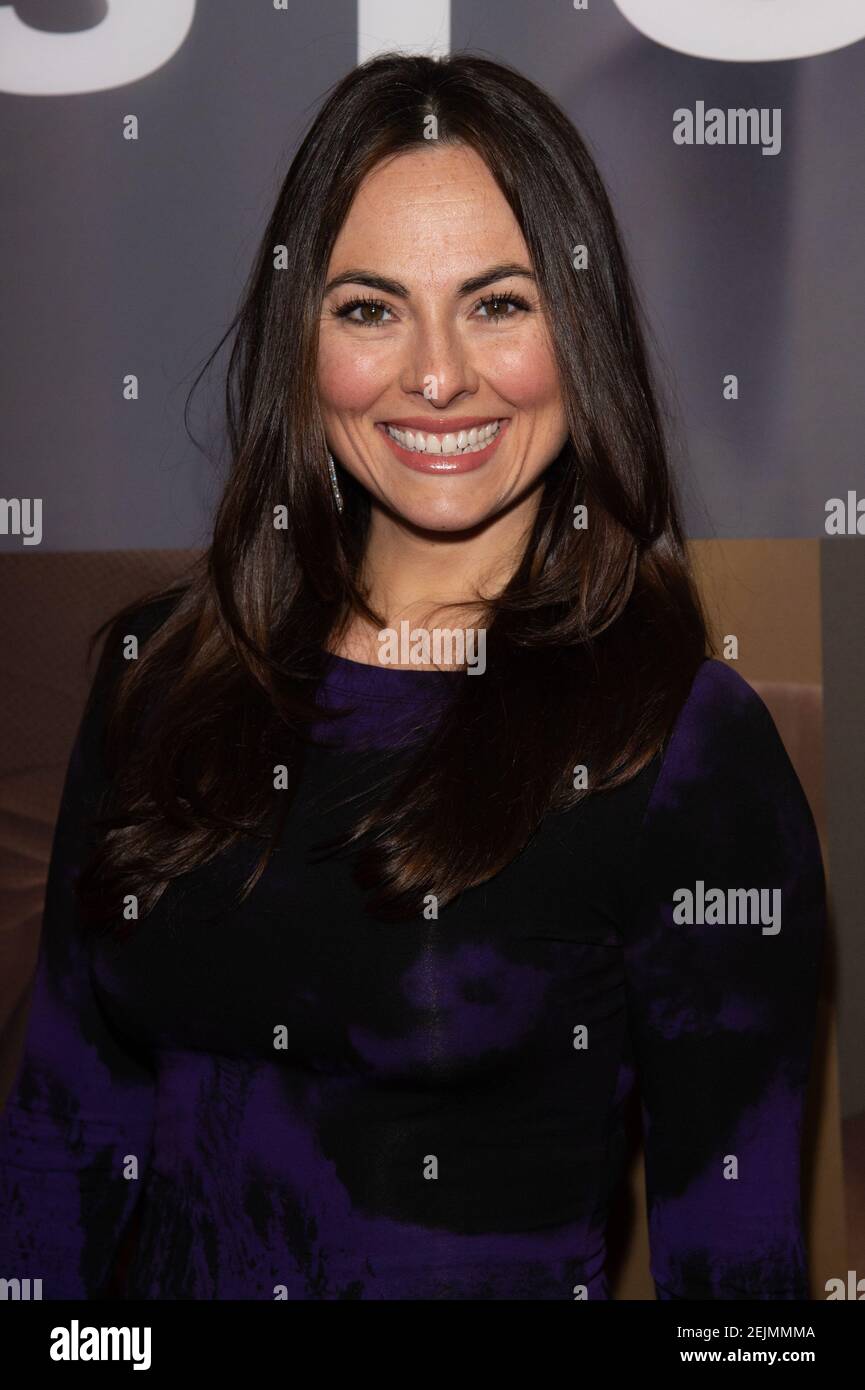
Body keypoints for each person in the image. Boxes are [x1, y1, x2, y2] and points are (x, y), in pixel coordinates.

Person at [0, 52, 825, 1300]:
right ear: (304, 343)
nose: (434, 375)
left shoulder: (683, 748)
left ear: (577, 328)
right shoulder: (158, 676)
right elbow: (63, 1143)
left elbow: (736, 1277)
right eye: (370, 308)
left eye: (497, 302)